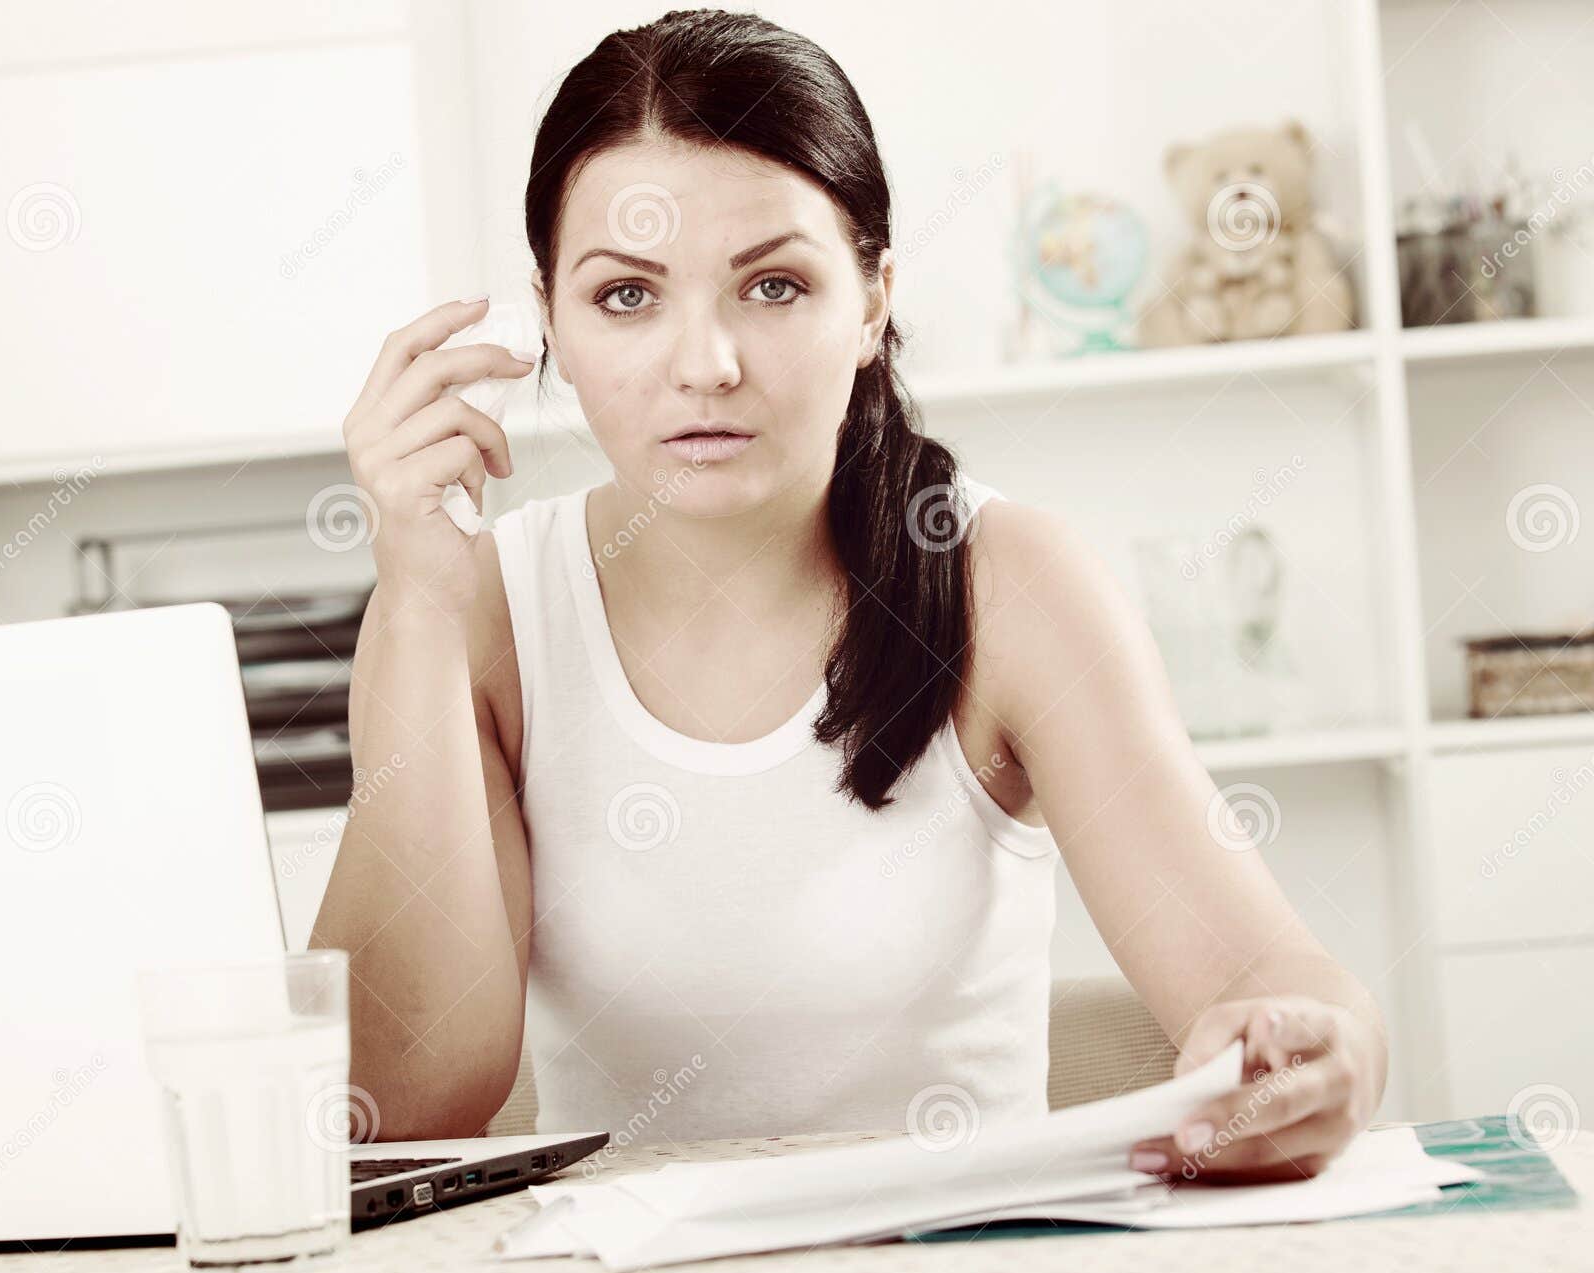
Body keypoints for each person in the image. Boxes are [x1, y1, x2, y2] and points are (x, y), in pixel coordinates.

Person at [311, 7, 1386, 1183]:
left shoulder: (1007, 583)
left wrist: (1323, 1059)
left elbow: (1266, 985)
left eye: (773, 286)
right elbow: (398, 1105)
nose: (705, 363)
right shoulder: (476, 607)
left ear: (872, 300)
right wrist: (414, 605)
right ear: (551, 325)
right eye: (626, 296)